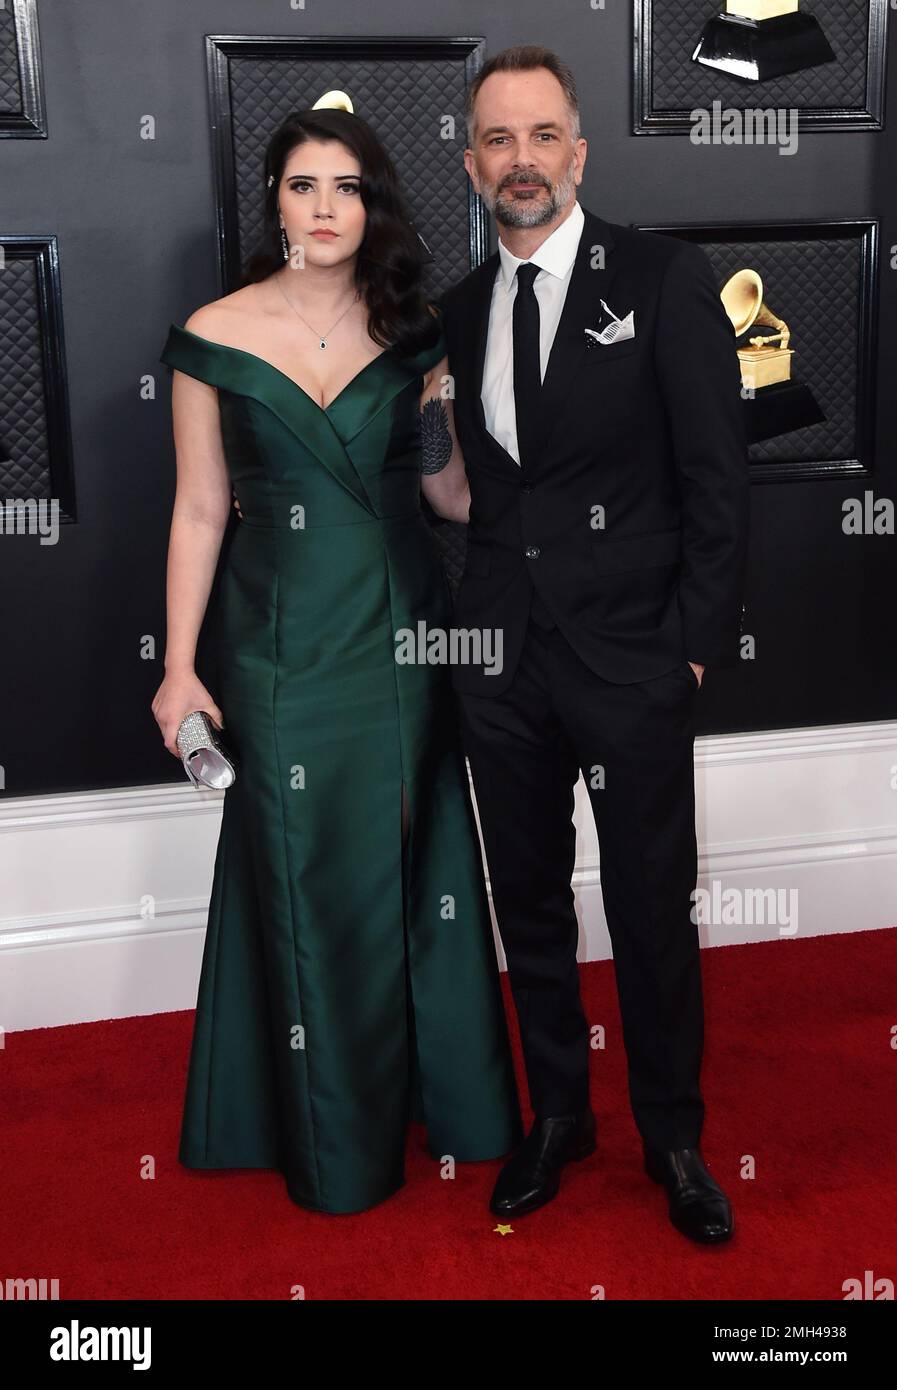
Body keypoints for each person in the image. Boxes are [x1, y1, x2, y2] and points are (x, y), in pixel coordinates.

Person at [151, 100, 523, 1215]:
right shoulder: (210, 333)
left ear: (374, 209)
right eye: (304, 186)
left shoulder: (415, 332)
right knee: (306, 879)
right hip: (278, 645)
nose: (323, 208)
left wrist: (448, 411)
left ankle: (444, 1102)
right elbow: (199, 512)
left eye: (346, 189)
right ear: (275, 199)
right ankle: (332, 1142)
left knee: (415, 876)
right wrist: (177, 669)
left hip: (402, 634)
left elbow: (448, 497)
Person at [437, 47, 750, 1241]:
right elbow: (476, 494)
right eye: (499, 142)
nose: (523, 161)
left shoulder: (668, 280)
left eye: (544, 136)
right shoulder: (459, 315)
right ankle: (558, 1115)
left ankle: (674, 1135)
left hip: (633, 662)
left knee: (652, 906)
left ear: (581, 150)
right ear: (471, 164)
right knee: (528, 903)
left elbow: (718, 483)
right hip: (503, 666)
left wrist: (691, 650)